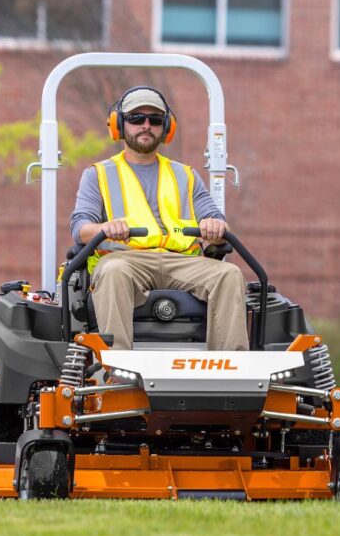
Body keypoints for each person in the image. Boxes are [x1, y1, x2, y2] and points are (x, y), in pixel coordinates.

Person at [70, 86, 249, 351]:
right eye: (136, 118)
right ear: (119, 125)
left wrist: (215, 227)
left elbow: (219, 224)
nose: (146, 125)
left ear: (166, 127)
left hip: (183, 261)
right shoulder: (98, 174)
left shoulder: (186, 175)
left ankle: (231, 368)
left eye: (154, 119)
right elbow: (80, 228)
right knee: (113, 271)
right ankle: (116, 367)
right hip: (125, 260)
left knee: (230, 274)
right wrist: (104, 228)